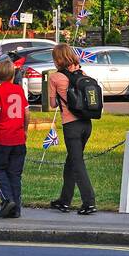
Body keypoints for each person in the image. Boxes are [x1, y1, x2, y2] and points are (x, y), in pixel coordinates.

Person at [47, 44, 97, 215]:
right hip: (86, 123)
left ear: (58, 59)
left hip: (71, 126)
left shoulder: (55, 78)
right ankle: (64, 200)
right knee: (71, 163)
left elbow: (52, 104)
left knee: (77, 164)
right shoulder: (82, 73)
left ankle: (89, 202)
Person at [0, 57, 28, 218]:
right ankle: (16, 209)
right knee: (14, 174)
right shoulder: (19, 90)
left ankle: (7, 199)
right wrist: (24, 130)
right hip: (19, 137)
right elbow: (26, 112)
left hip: (3, 137)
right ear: (13, 74)